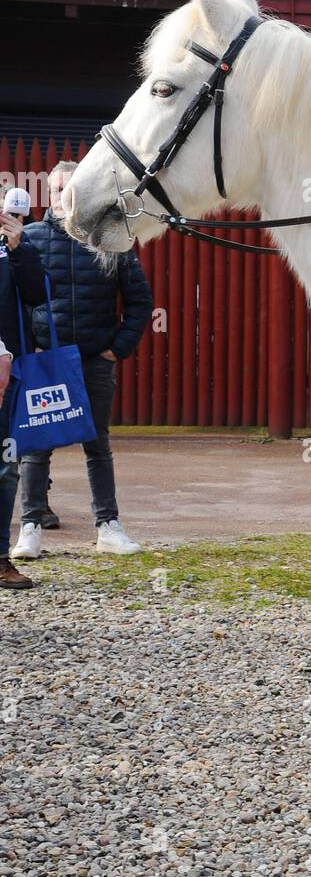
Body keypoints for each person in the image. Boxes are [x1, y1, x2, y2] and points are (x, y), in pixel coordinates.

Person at [12, 161, 152, 559]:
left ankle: (108, 526)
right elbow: (16, 302)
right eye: (56, 190)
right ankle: (31, 528)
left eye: (68, 189)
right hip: (47, 362)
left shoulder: (109, 241)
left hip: (94, 361)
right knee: (37, 447)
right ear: (49, 195)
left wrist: (115, 348)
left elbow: (141, 302)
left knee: (97, 444)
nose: (61, 197)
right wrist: (29, 349)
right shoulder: (31, 240)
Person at [0, 189, 49, 587]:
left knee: (5, 468)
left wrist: (19, 248)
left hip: (8, 373)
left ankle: (0, 558)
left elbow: (37, 295)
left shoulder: (19, 247)